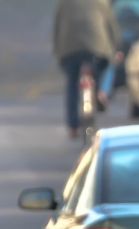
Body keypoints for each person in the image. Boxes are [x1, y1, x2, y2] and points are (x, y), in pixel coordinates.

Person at [53, 0, 121, 139]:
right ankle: (102, 91)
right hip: (97, 48)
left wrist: (58, 52)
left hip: (69, 49)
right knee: (107, 64)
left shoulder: (63, 2)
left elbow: (57, 26)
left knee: (72, 84)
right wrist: (116, 47)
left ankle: (72, 127)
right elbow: (111, 25)